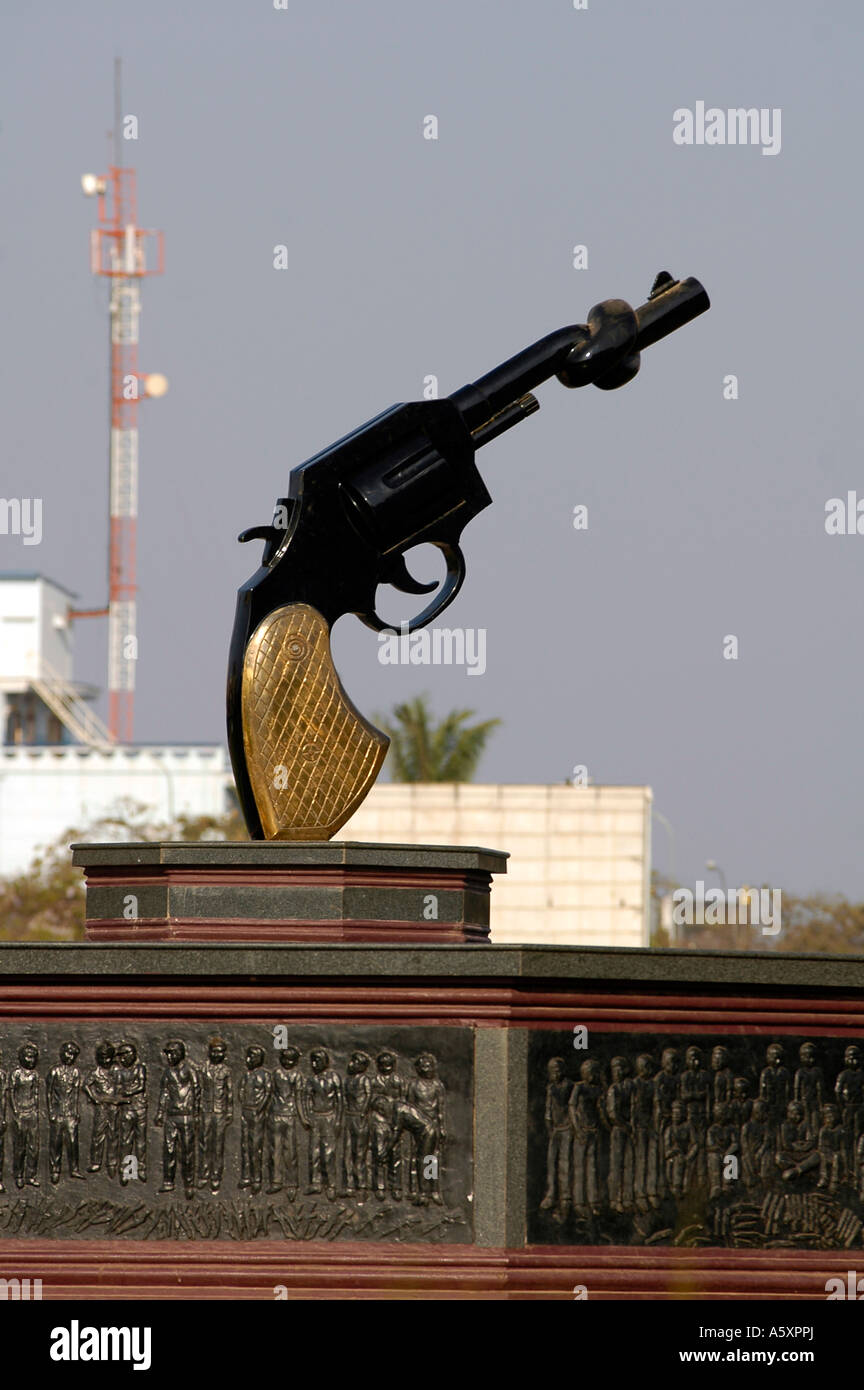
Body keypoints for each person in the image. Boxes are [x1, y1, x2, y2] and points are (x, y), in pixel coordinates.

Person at [155, 1040, 200, 1199]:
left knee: (187, 1151)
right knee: (169, 1149)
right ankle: (168, 1181)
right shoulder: (167, 1073)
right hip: (171, 1116)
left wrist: (196, 1113)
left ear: (180, 1053)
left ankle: (189, 1183)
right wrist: (160, 1113)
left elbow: (197, 1092)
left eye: (172, 1053)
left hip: (186, 1116)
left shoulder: (190, 1071)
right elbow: (164, 1094)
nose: (169, 1056)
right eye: (167, 1053)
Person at [304, 1048, 342, 1199]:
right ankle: (315, 1183)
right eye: (312, 1061)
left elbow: (340, 1101)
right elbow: (306, 1098)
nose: (314, 1064)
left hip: (329, 1117)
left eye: (317, 1061)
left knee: (328, 1152)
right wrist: (307, 1116)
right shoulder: (311, 1079)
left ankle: (331, 1184)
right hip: (316, 1116)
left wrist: (338, 1119)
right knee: (314, 1152)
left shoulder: (334, 1077)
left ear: (325, 1062)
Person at [267, 1046, 303, 1198]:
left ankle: (291, 1183)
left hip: (291, 1115)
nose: (287, 1062)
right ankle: (276, 1181)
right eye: (285, 1059)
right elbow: (269, 1093)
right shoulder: (275, 1073)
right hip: (275, 1114)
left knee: (291, 1150)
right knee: (275, 1149)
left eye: (291, 1059)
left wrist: (303, 1117)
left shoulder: (297, 1075)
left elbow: (299, 1098)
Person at [198, 1039, 233, 1194]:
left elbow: (229, 1093)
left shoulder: (226, 1071)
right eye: (214, 1051)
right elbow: (197, 1090)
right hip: (205, 1110)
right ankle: (204, 1174)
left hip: (220, 1111)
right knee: (204, 1143)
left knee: (218, 1145)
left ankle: (216, 1176)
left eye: (220, 1051)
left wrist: (230, 1111)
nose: (217, 1054)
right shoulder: (202, 1069)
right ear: (209, 1052)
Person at [47, 1041, 85, 1183]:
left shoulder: (75, 1072)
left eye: (73, 1055)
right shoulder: (54, 1071)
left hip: (70, 1112)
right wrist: (51, 1111)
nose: (70, 1057)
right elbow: (49, 1093)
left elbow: (75, 1093)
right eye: (68, 1053)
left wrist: (76, 1111)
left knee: (73, 1141)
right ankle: (55, 1170)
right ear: (62, 1053)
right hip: (57, 1112)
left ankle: (74, 1169)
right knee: (55, 1142)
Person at [238, 1046, 272, 1196]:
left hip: (257, 1113)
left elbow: (267, 1093)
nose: (248, 1060)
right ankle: (246, 1176)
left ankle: (257, 1179)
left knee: (256, 1146)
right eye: (247, 1056)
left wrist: (260, 1108)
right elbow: (241, 1090)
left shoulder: (265, 1075)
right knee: (245, 1145)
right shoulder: (246, 1075)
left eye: (251, 1057)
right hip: (246, 1111)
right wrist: (244, 1103)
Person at [84, 1041, 119, 1177]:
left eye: (108, 1057)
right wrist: (93, 1097)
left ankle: (112, 1162)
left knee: (114, 1134)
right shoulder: (96, 1072)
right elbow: (85, 1085)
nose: (105, 1060)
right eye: (102, 1058)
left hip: (114, 1107)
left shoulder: (116, 1070)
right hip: (102, 1107)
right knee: (98, 1134)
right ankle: (96, 1162)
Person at [115, 1042, 147, 1185]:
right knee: (126, 1141)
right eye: (120, 1056)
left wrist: (128, 1091)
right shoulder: (120, 1072)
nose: (122, 1059)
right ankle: (128, 1171)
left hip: (139, 1108)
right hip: (126, 1109)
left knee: (140, 1140)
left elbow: (141, 1086)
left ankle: (141, 1167)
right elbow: (118, 1089)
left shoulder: (140, 1068)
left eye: (124, 1055)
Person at [10, 1044, 40, 1189]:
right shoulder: (16, 1074)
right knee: (20, 1147)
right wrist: (15, 1110)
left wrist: (35, 1109)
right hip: (20, 1113)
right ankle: (19, 1175)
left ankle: (31, 1175)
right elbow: (11, 1093)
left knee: (33, 1146)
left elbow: (35, 1094)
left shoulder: (34, 1075)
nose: (31, 1060)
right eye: (28, 1056)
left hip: (32, 1112)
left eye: (33, 1057)